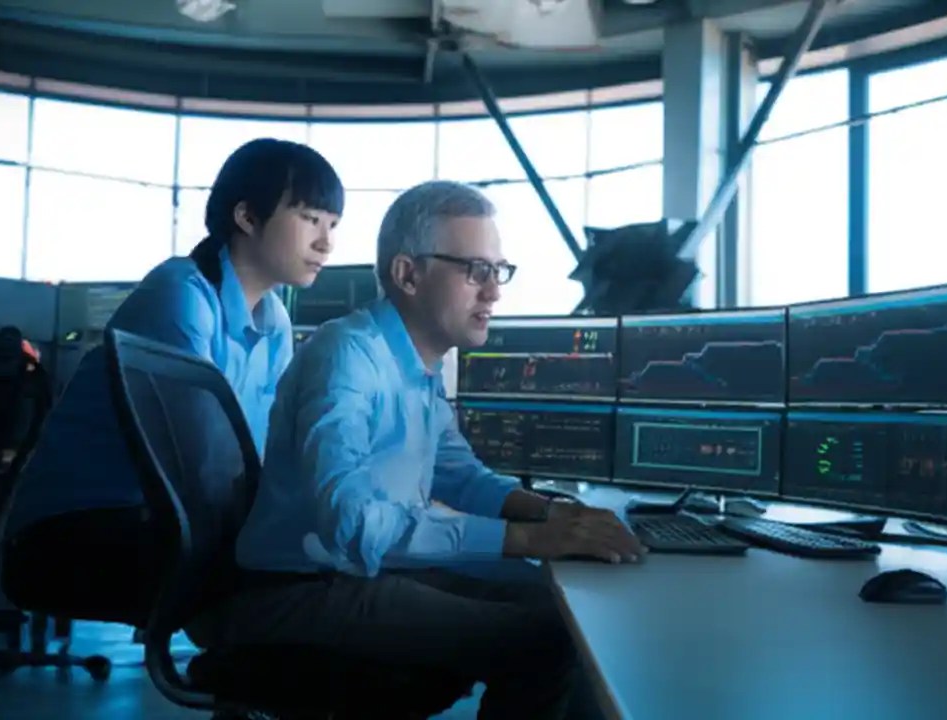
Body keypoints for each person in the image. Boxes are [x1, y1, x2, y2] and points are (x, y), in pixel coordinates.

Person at [209, 180, 645, 720]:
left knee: (563, 604)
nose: (494, 292)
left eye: (498, 271)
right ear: (407, 274)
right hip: (297, 588)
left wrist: (553, 514)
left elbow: (459, 476)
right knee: (548, 639)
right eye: (475, 270)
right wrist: (527, 537)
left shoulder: (419, 366)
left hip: (358, 573)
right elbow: (353, 526)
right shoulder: (347, 357)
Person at [1, 138, 344, 625]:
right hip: (68, 538)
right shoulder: (180, 295)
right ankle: (246, 687)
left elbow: (268, 454)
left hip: (165, 523)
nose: (326, 243)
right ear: (247, 217)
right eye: (310, 218)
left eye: (332, 225)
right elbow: (200, 469)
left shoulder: (273, 322)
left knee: (336, 555)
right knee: (308, 572)